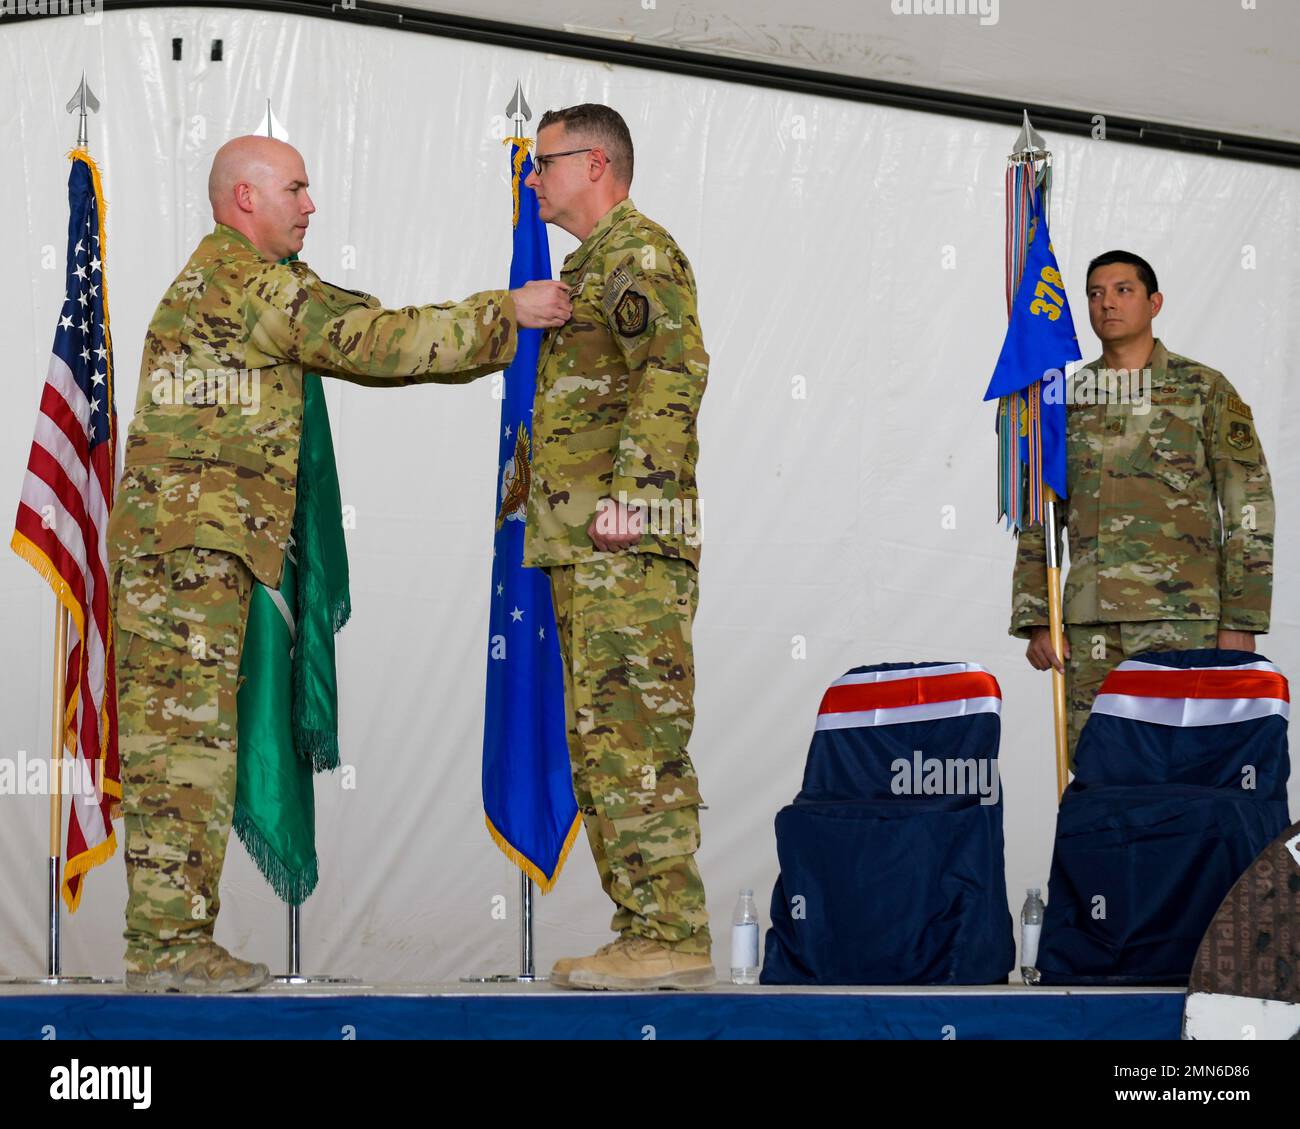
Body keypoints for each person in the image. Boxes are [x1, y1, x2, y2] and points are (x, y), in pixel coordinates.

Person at [109, 135, 571, 992]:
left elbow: (358, 318)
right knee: (182, 753)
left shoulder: (258, 283)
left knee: (193, 747)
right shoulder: (241, 282)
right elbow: (370, 339)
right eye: (297, 187)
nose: (311, 203)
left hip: (198, 553)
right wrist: (506, 311)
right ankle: (165, 950)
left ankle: (169, 943)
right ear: (245, 199)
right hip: (186, 559)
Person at [520, 104, 714, 990]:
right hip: (585, 544)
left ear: (595, 163)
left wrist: (637, 496)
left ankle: (671, 928)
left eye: (543, 162)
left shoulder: (638, 253)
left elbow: (674, 367)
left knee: (634, 733)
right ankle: (645, 927)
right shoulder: (588, 268)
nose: (533, 179)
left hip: (626, 543)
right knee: (601, 739)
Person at [1012, 250, 1274, 762]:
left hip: (1185, 621)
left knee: (1184, 770)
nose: (1106, 303)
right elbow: (1038, 514)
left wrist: (1241, 619)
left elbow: (1250, 506)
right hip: (1089, 628)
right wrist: (1037, 616)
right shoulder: (1064, 399)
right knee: (1095, 773)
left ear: (1154, 303)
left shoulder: (1204, 390)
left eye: (1122, 290)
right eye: (1094, 294)